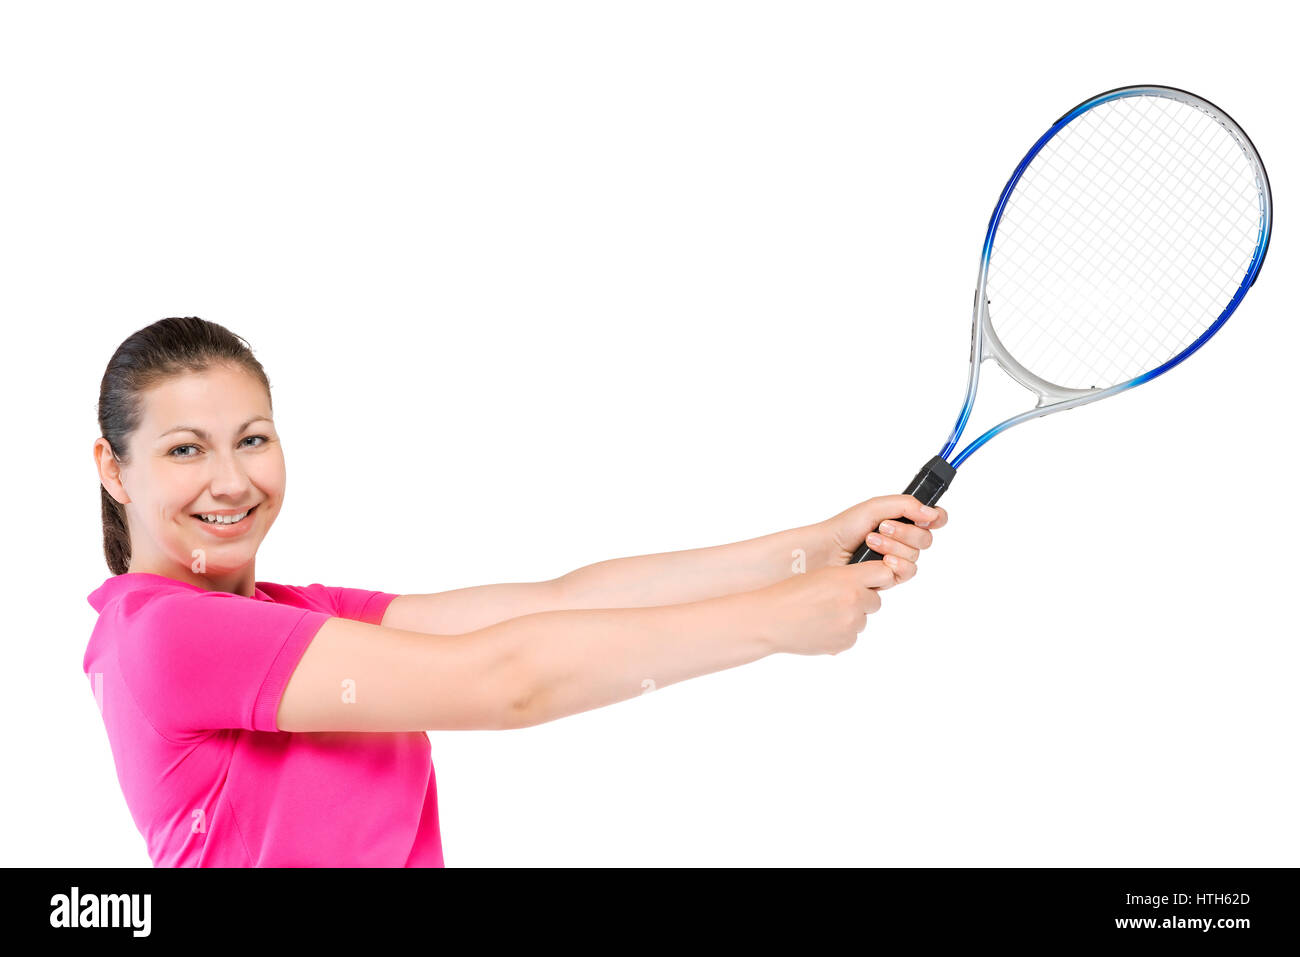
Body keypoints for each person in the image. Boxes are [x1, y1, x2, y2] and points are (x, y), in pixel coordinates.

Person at [87, 316, 948, 866]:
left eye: (252, 438)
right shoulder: (164, 634)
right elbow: (504, 682)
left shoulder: (291, 616)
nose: (231, 479)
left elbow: (560, 601)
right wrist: (774, 626)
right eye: (185, 450)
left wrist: (808, 552)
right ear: (113, 469)